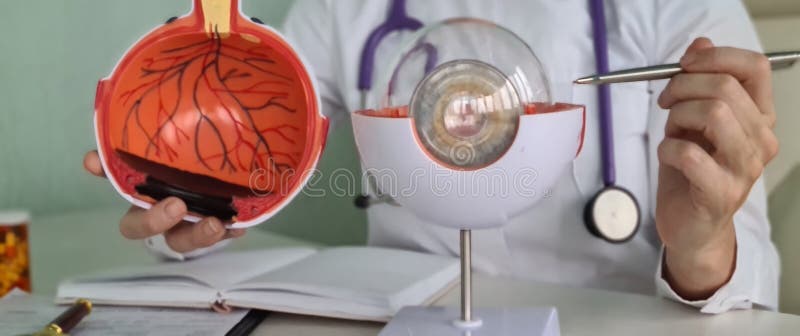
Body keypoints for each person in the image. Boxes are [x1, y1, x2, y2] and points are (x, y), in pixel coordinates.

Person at [83, 0, 780, 313]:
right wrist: (189, 207)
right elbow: (252, 151)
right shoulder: (341, 10)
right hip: (404, 318)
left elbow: (746, 293)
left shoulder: (676, 8)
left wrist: (703, 247)